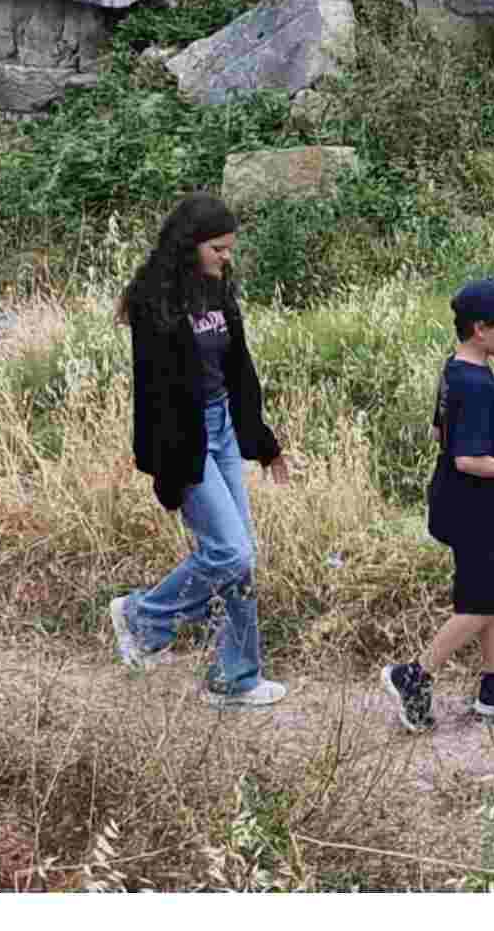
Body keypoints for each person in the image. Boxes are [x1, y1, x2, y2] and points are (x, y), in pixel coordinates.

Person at [106, 195, 294, 708]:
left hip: (224, 427)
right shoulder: (155, 300)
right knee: (231, 552)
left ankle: (238, 679)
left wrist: (265, 445)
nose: (226, 257)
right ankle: (142, 617)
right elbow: (154, 395)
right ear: (189, 245)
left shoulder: (217, 289)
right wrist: (167, 467)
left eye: (230, 248)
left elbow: (240, 369)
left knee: (242, 558)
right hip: (184, 439)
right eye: (218, 248)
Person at [381, 278, 494, 732]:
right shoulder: (475, 384)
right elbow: (467, 459)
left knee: (492, 595)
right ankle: (413, 675)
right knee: (481, 604)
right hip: (474, 507)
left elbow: (440, 431)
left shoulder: (455, 369)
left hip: (465, 502)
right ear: (480, 329)